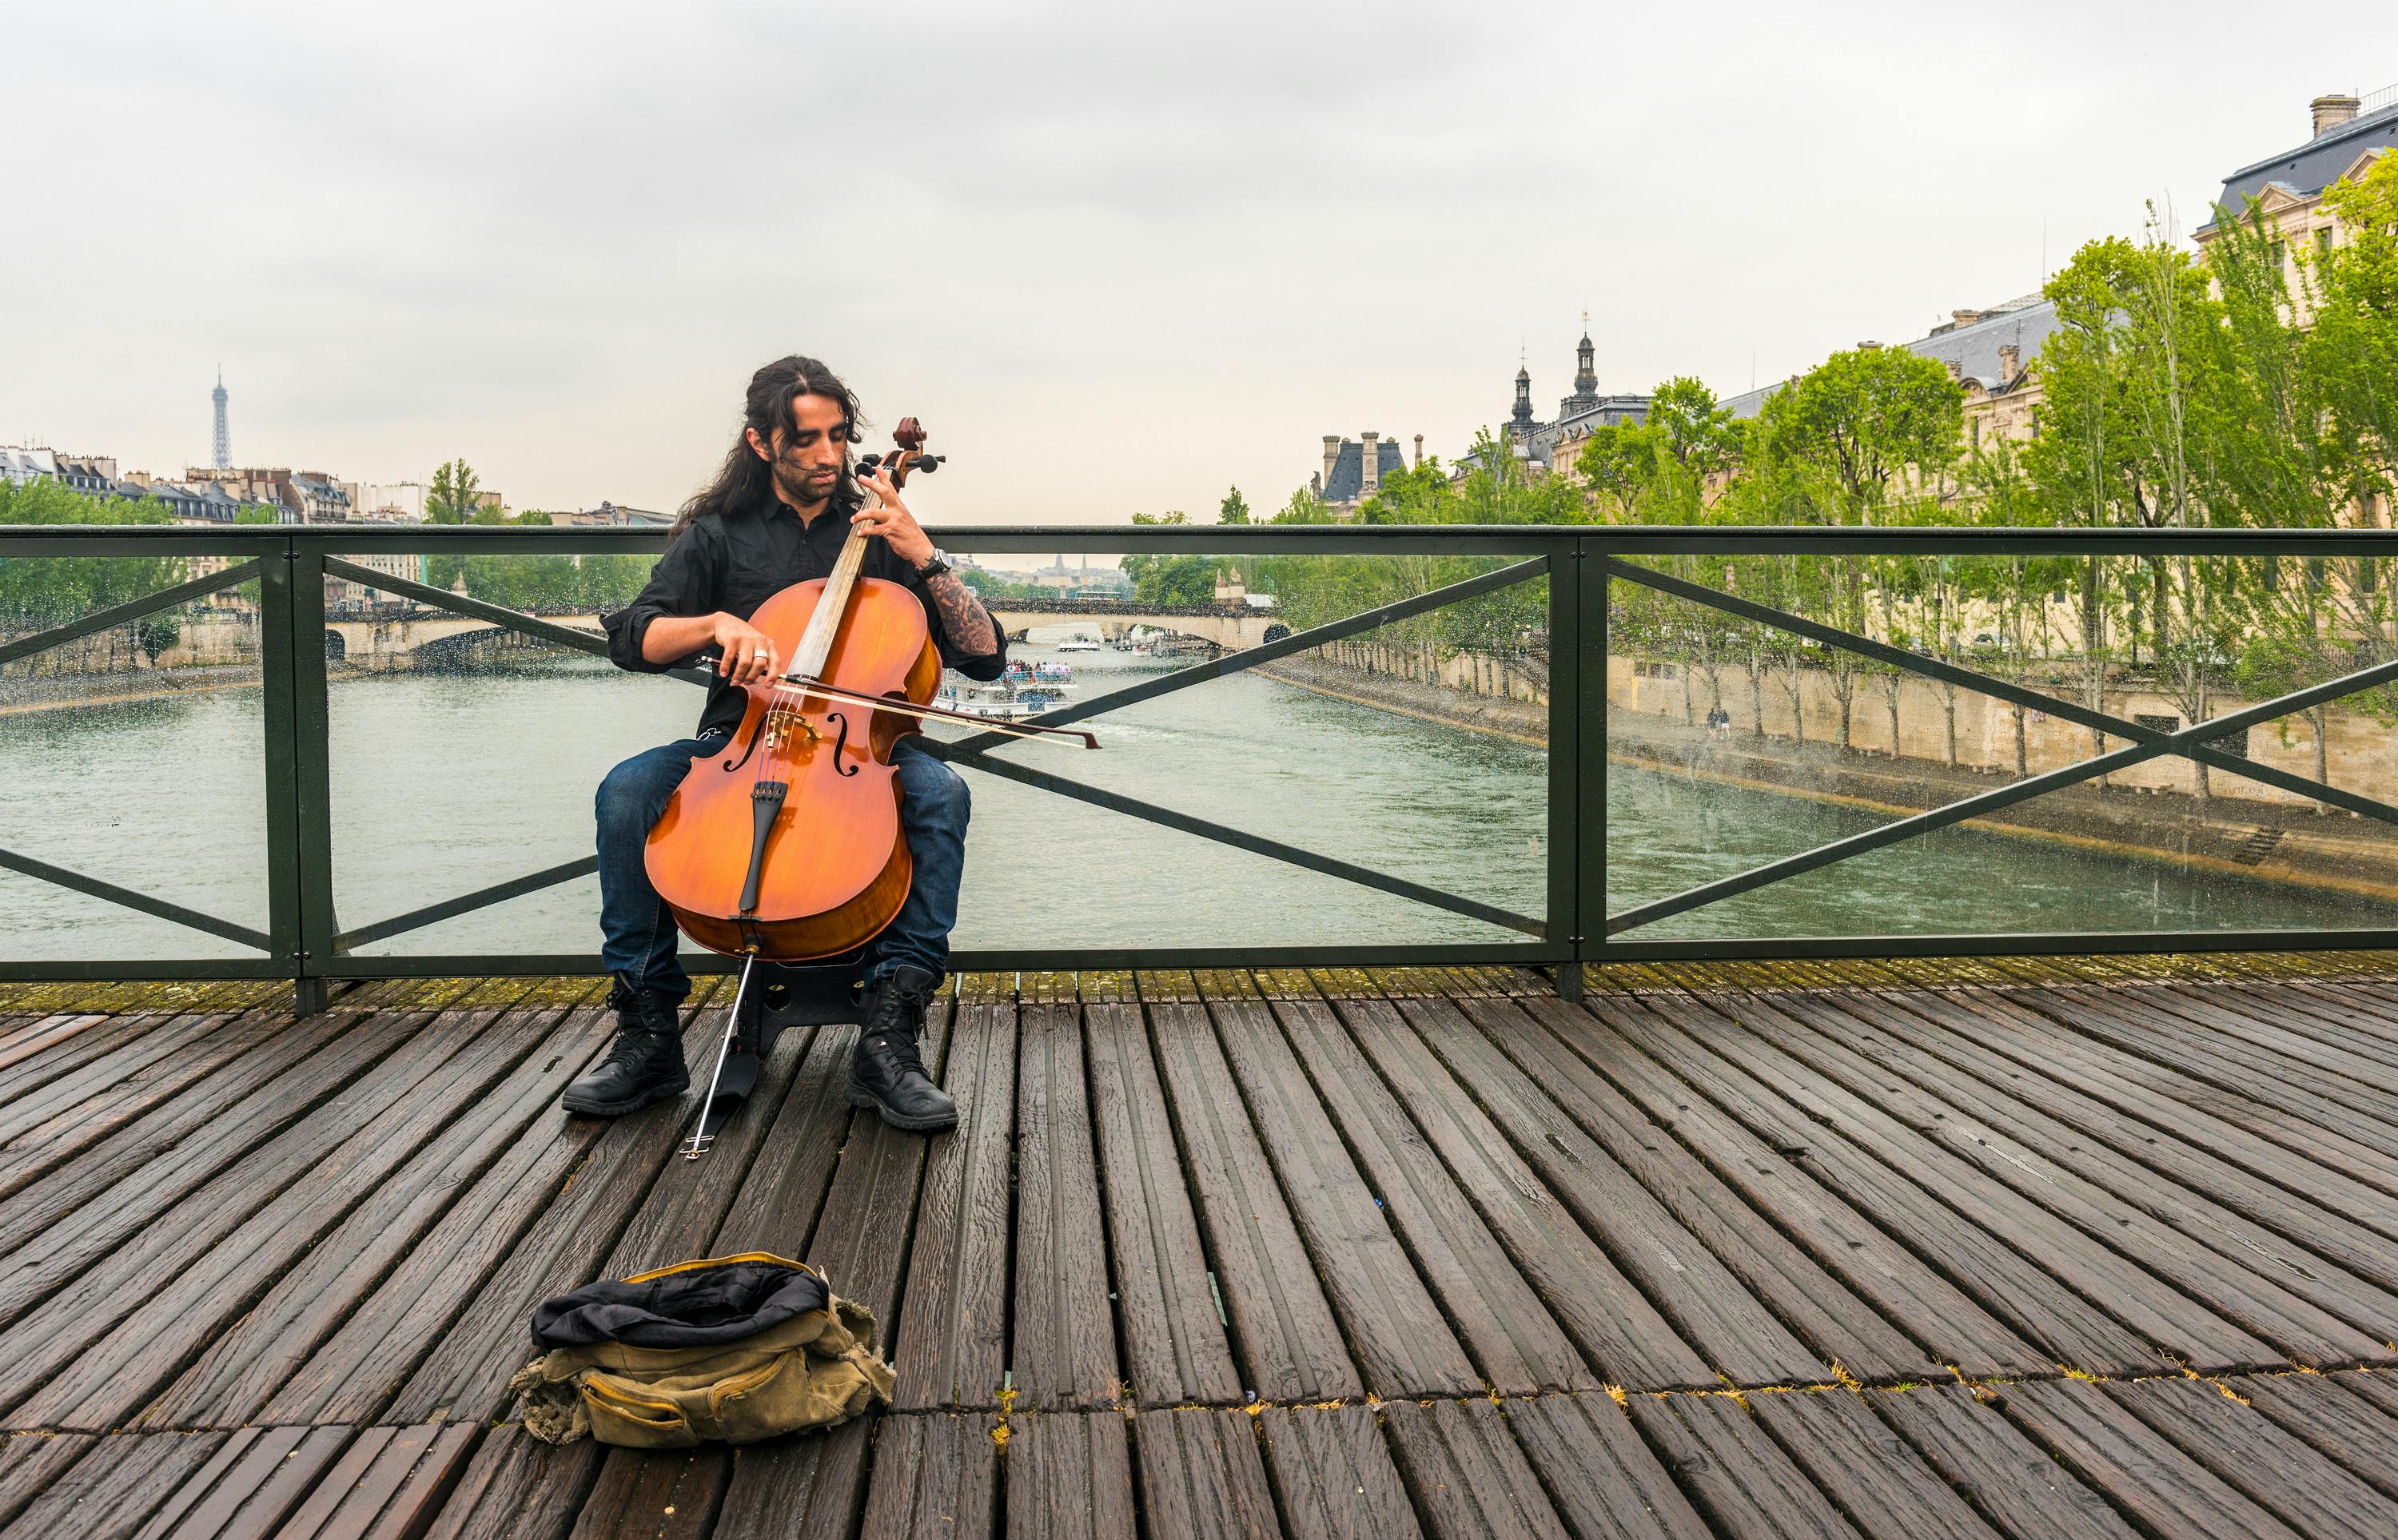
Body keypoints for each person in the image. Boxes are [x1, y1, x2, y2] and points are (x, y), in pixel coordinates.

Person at [561, 356, 1006, 1132]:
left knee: (943, 792)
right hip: (737, 743)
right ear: (762, 442)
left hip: (860, 747)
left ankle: (890, 1037)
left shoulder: (878, 533)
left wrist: (923, 553)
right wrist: (713, 626)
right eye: (806, 440)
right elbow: (633, 637)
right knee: (626, 790)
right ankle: (648, 1034)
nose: (829, 455)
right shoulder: (717, 536)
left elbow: (986, 656)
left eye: (838, 436)